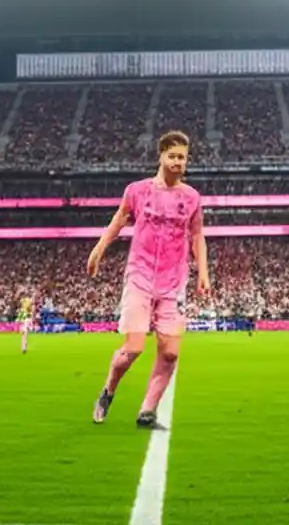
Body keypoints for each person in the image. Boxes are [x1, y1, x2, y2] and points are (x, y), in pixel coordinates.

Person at [89, 130, 210, 428]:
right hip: (140, 276)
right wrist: (98, 250)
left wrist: (203, 273)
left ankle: (147, 410)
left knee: (170, 352)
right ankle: (108, 390)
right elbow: (119, 220)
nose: (178, 162)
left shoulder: (192, 197)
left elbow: (197, 235)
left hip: (174, 281)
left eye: (183, 157)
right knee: (133, 348)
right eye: (173, 156)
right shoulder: (137, 190)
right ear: (161, 156)